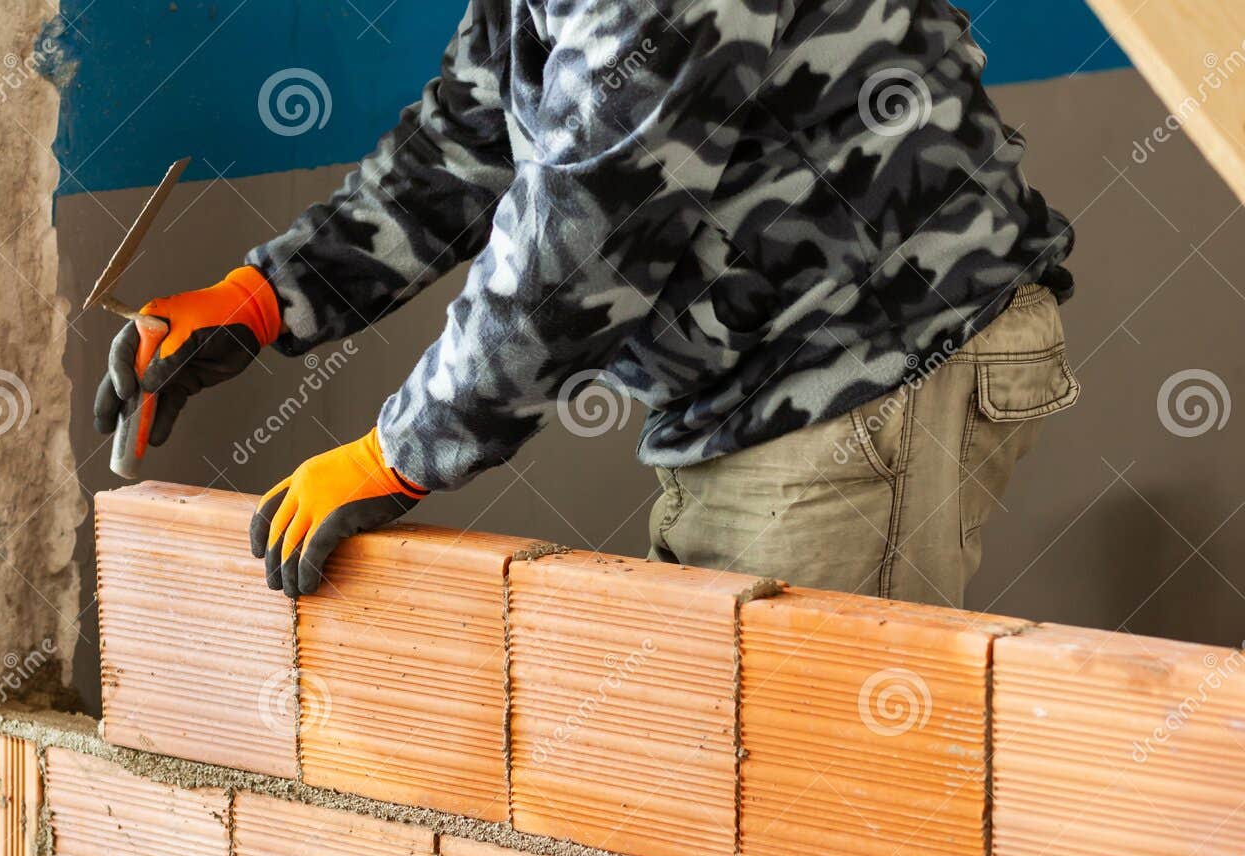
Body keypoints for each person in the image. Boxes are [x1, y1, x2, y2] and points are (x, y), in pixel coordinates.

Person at [94, 0, 1078, 603]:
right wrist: (267, 295)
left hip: (864, 358)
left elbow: (591, 221)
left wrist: (399, 453)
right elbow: (475, 131)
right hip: (776, 372)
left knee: (803, 801)